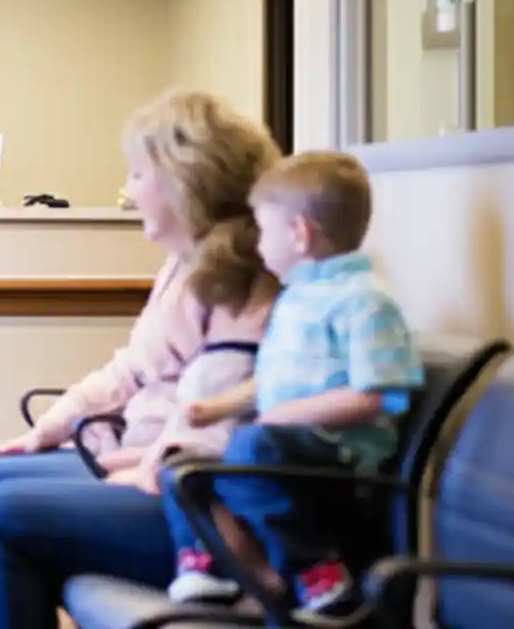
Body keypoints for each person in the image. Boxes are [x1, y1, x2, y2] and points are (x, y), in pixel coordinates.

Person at [0, 89, 283, 629]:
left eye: (136, 174)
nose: (128, 191)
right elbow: (131, 368)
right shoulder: (186, 266)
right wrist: (53, 427)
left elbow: (214, 419)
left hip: (193, 508)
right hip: (147, 465)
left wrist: (139, 466)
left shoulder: (244, 279)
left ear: (185, 180)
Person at [161, 151, 424, 627]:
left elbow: (380, 395)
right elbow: (275, 384)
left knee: (254, 444)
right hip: (283, 452)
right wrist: (214, 407)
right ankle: (221, 570)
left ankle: (321, 575)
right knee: (182, 468)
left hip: (335, 462)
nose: (258, 244)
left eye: (263, 230)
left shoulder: (364, 301)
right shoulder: (298, 299)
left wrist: (286, 416)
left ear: (299, 233)